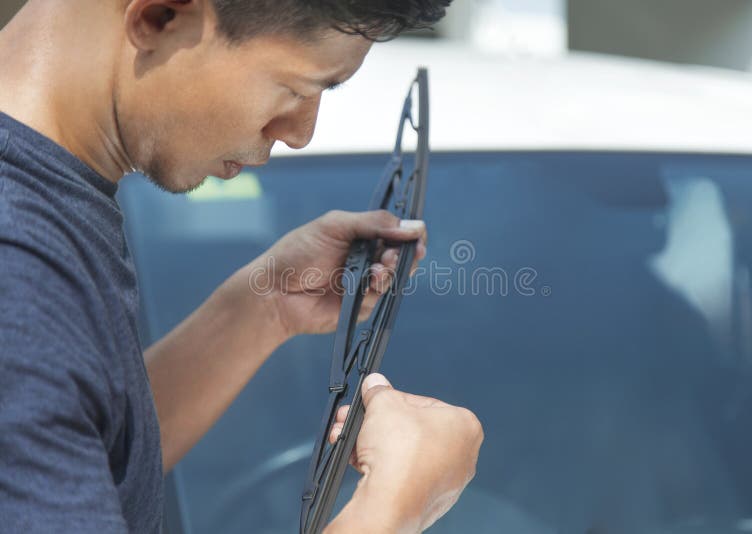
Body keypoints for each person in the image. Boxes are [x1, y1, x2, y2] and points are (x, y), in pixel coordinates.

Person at [0, 1, 484, 532]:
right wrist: (395, 505)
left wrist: (265, 306)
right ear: (160, 16)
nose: (300, 132)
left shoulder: (49, 201)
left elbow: (90, 445)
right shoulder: (17, 271)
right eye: (298, 89)